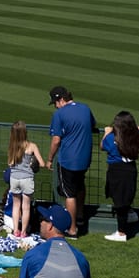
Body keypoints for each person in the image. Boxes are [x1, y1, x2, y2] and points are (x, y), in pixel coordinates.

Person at [18, 204, 115, 278]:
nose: (40, 223)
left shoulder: (32, 254)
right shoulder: (81, 258)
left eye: (43, 220)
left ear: (50, 226)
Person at [48, 85, 97, 237]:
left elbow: (56, 140)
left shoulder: (60, 114)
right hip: (85, 158)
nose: (55, 106)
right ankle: (80, 215)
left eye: (55, 103)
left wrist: (49, 159)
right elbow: (93, 125)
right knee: (80, 185)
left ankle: (72, 228)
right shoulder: (85, 108)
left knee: (69, 194)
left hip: (68, 160)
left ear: (61, 100)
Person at [99, 111, 139, 242]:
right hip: (130, 169)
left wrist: (107, 132)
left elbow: (102, 146)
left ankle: (121, 233)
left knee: (119, 200)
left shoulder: (111, 138)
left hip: (117, 170)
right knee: (125, 196)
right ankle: (130, 214)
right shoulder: (136, 135)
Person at [5, 120, 47, 238]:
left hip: (14, 178)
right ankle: (23, 232)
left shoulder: (12, 147)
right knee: (26, 207)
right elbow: (42, 163)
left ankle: (15, 231)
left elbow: (10, 163)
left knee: (16, 205)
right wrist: (32, 162)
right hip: (27, 179)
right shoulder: (32, 146)